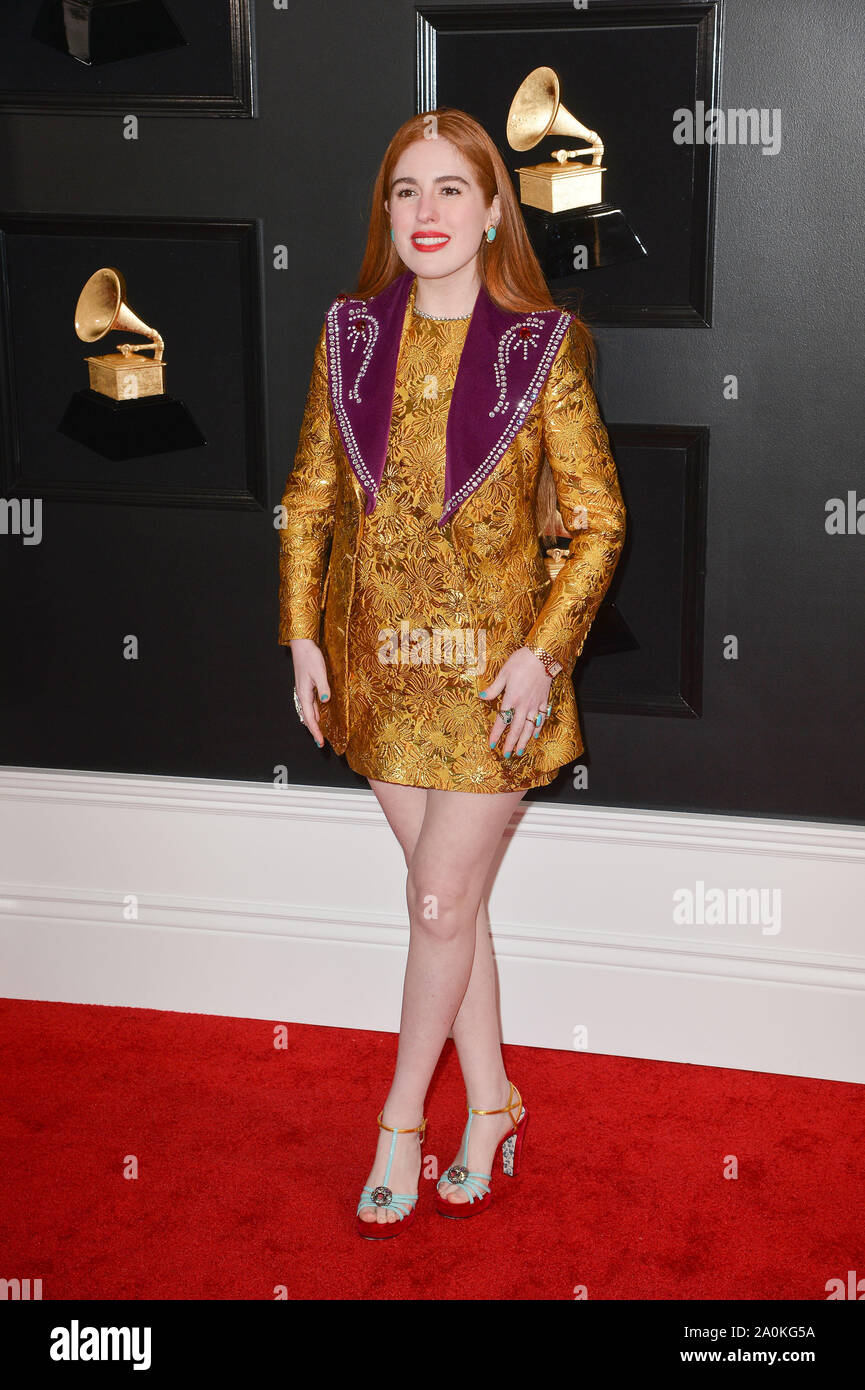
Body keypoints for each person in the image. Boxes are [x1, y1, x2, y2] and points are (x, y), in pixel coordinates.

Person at [277, 108, 626, 1237]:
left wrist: (544, 651)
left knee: (432, 900)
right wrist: (300, 634)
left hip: (493, 685)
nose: (423, 215)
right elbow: (311, 501)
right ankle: (493, 1103)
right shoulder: (349, 334)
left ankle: (398, 1122)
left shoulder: (544, 343)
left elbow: (598, 524)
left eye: (447, 192)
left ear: (489, 214)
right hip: (378, 673)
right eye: (403, 193)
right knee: (452, 907)